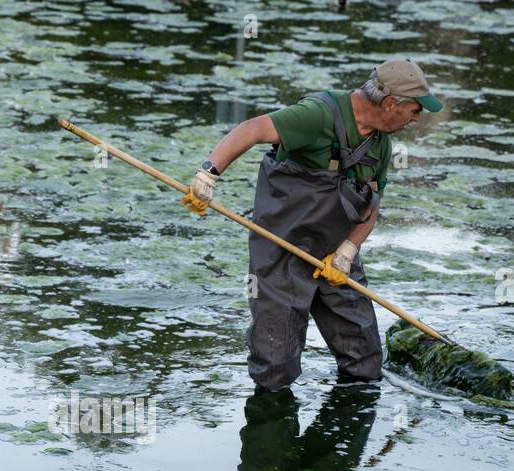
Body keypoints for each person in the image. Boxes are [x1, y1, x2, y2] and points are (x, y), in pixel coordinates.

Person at [182, 58, 442, 388]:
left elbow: (372, 203)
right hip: (281, 253)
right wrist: (209, 174)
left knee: (364, 362)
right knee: (275, 368)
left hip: (335, 257)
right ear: (391, 104)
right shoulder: (317, 114)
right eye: (416, 110)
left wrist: (349, 249)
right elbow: (252, 130)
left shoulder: (382, 144)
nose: (417, 119)